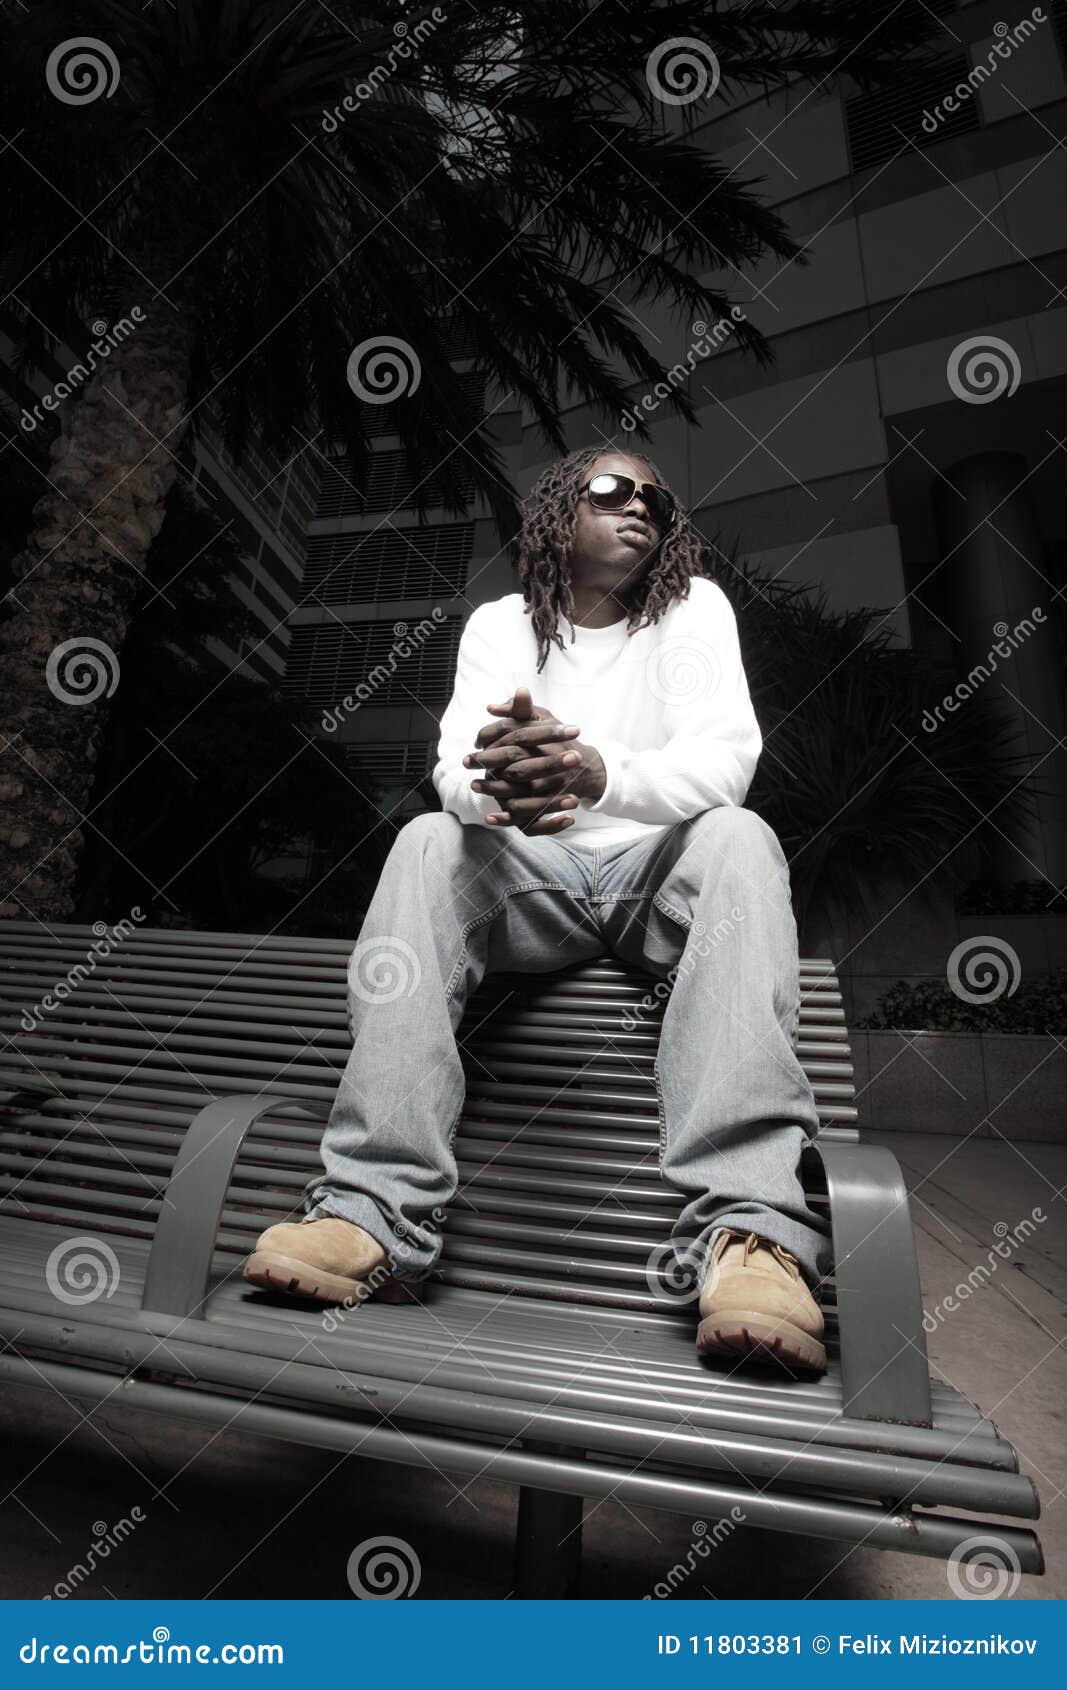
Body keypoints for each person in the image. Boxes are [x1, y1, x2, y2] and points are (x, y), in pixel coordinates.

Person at [245, 446, 831, 1372]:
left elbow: (723, 762)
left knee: (740, 836)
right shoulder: (498, 627)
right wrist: (500, 794)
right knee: (428, 841)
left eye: (655, 496)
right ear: (560, 511)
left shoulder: (694, 610)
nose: (638, 504)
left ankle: (750, 1237)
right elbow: (452, 772)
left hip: (656, 875)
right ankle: (370, 1211)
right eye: (610, 489)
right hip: (532, 880)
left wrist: (598, 773)